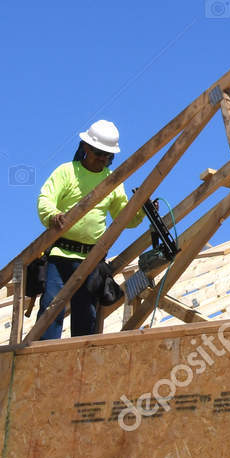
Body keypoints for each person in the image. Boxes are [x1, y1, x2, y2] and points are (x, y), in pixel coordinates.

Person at [34, 119, 143, 340]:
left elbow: (125, 219)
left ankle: (79, 359)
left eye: (108, 156)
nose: (102, 159)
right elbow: (45, 199)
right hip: (61, 255)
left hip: (91, 260)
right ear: (85, 147)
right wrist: (53, 215)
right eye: (98, 153)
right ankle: (42, 355)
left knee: (86, 314)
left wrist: (140, 208)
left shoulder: (112, 181)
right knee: (51, 309)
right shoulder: (67, 172)